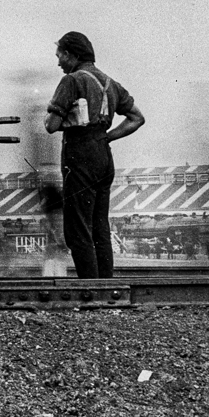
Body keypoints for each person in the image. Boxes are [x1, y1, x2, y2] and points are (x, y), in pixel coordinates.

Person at [44, 32, 145, 278]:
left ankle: (90, 287)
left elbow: (51, 125)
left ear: (72, 55)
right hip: (103, 154)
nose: (59, 63)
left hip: (79, 155)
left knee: (78, 228)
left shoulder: (72, 81)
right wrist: (108, 137)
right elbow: (136, 119)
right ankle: (106, 285)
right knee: (100, 226)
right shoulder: (111, 84)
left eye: (60, 56)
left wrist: (58, 114)